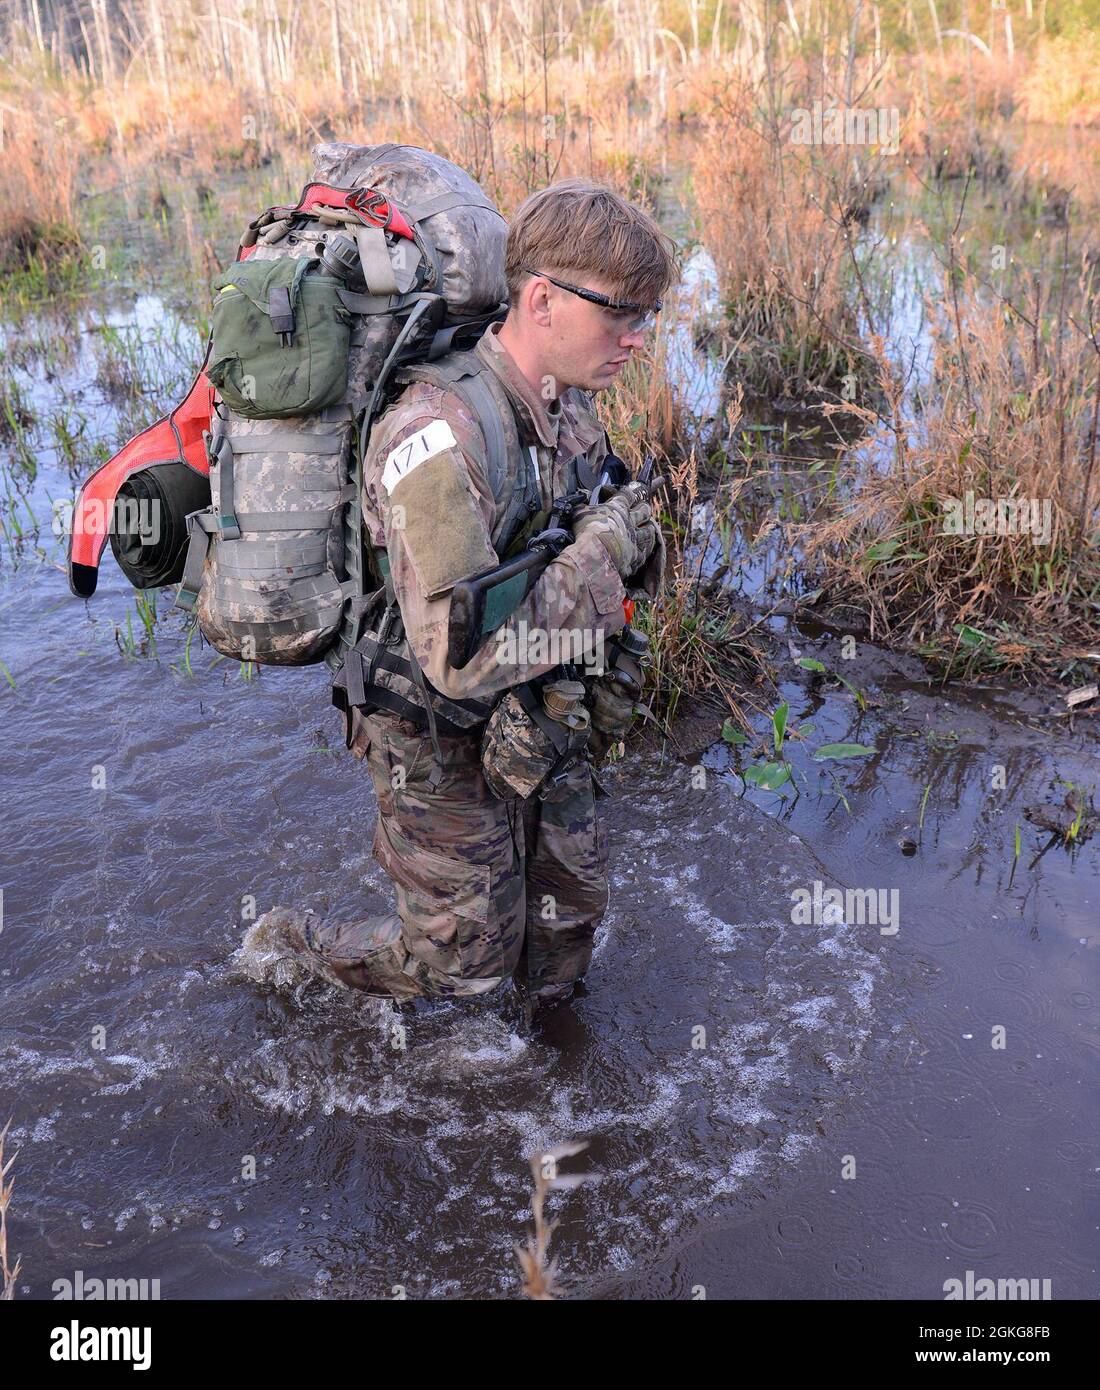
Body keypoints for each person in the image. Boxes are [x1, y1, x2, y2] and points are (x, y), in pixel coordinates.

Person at [278, 177, 678, 1008]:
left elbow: (578, 543)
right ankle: (295, 955)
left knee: (566, 930)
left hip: (539, 712)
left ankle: (551, 1077)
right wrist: (601, 558)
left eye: (647, 318)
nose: (636, 339)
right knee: (461, 967)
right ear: (541, 300)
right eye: (621, 315)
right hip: (435, 728)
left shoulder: (570, 409)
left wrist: (623, 549)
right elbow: (459, 659)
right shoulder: (434, 436)